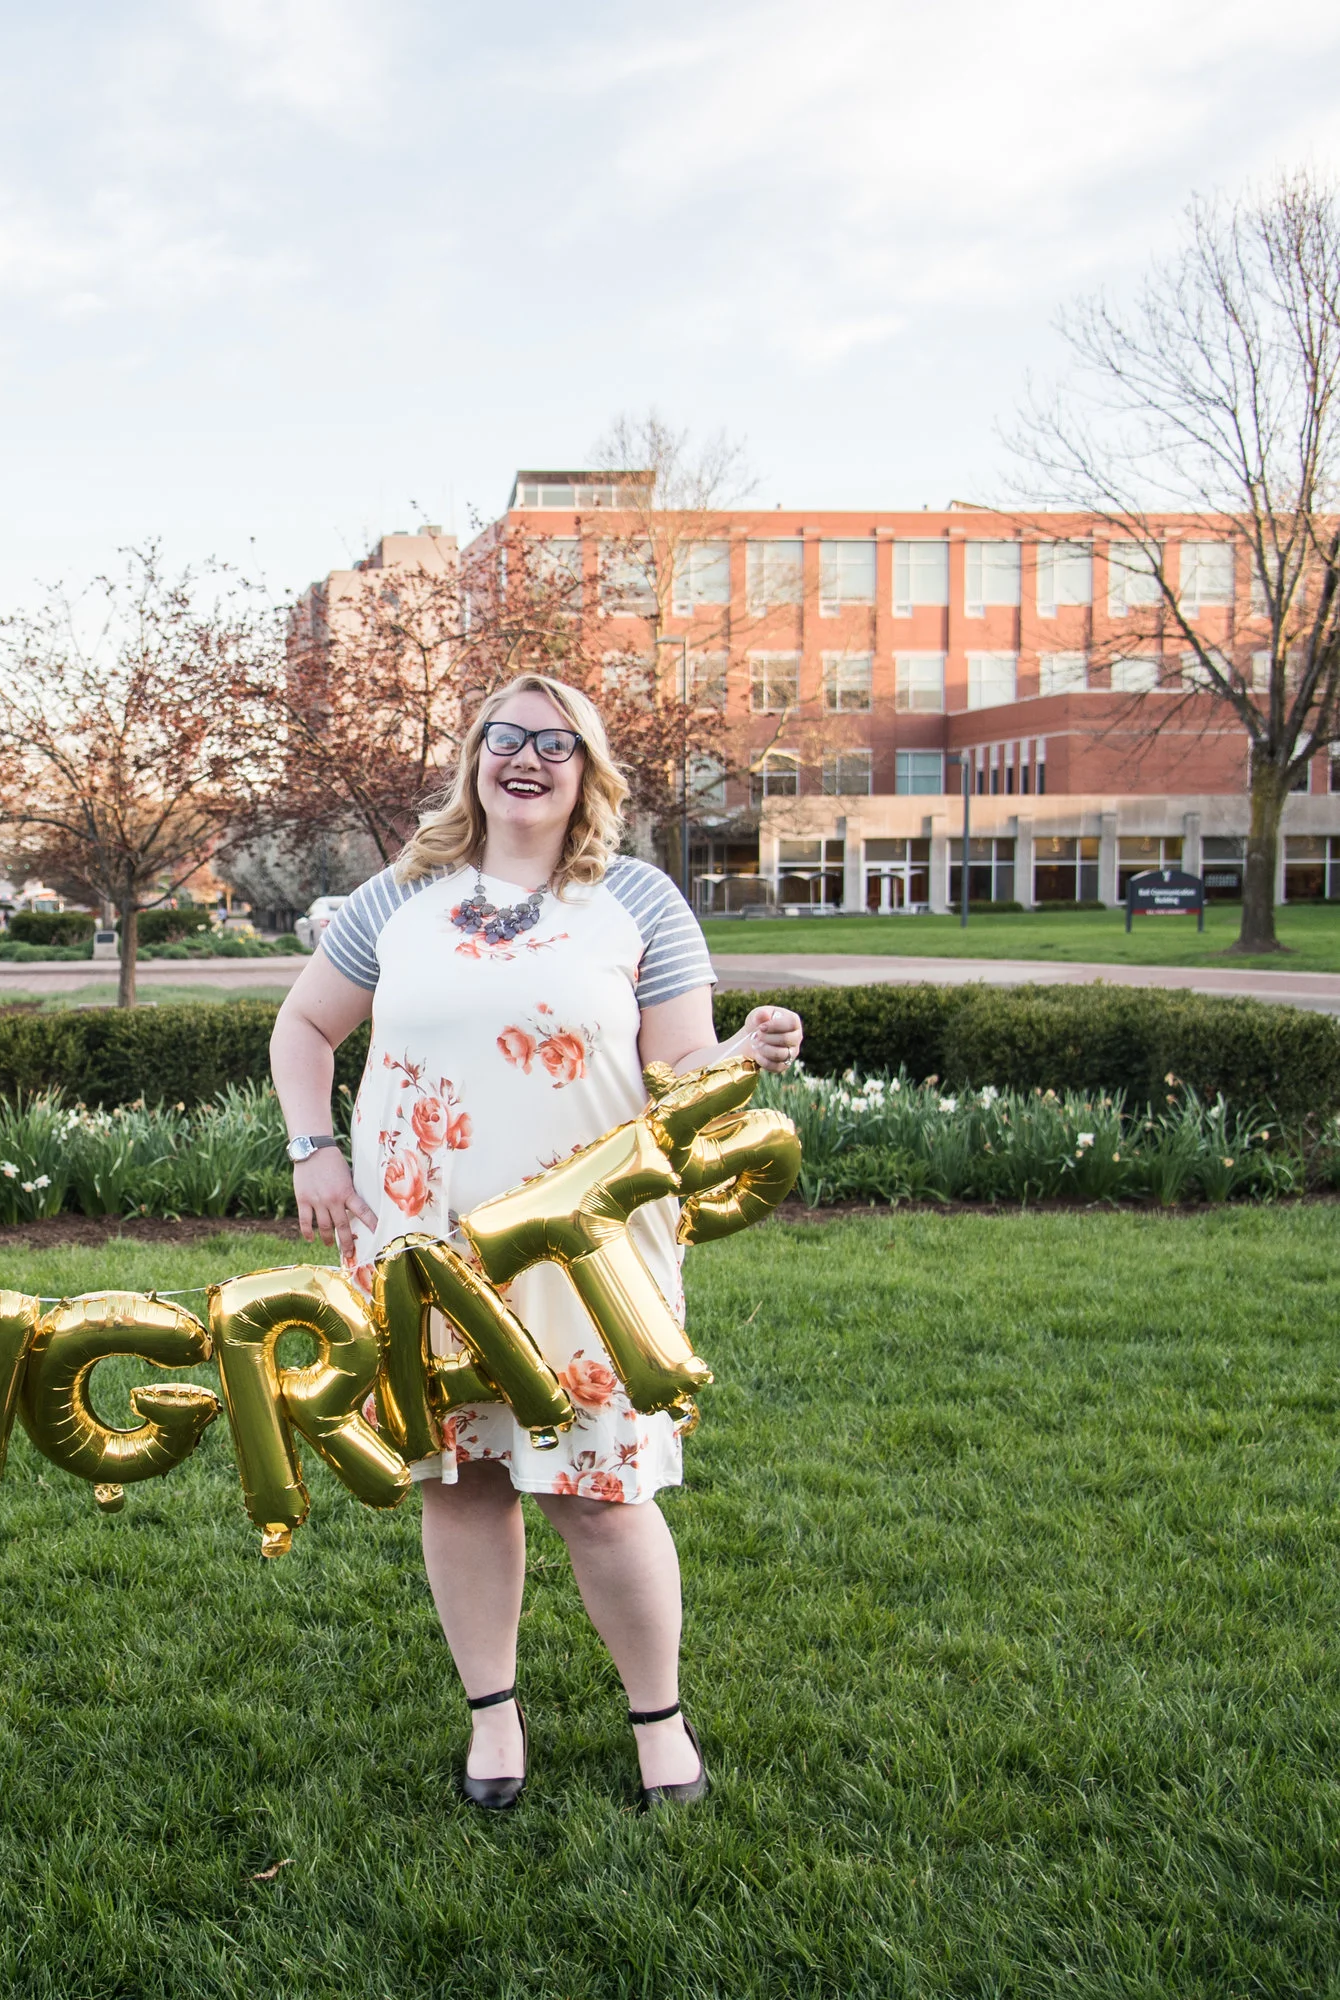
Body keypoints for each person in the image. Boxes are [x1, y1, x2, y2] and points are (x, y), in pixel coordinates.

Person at [268, 674, 802, 1813]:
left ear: (586, 770)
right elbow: (305, 1024)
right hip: (422, 1244)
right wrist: (314, 1146)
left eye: (556, 744)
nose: (528, 758)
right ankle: (492, 1718)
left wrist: (749, 1046)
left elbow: (678, 1069)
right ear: (473, 757)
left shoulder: (637, 900)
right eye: (506, 737)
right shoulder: (401, 896)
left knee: (600, 1490)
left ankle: (657, 1716)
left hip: (585, 1252)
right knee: (461, 1479)